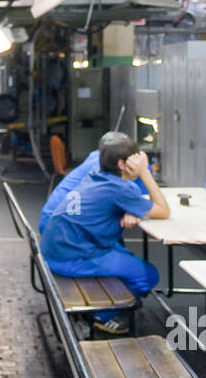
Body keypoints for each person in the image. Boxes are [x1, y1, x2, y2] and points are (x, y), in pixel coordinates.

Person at [40, 136, 170, 335]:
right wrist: (144, 172)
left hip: (58, 247)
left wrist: (130, 207)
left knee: (127, 258)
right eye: (136, 159)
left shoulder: (96, 174)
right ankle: (98, 317)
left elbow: (120, 199)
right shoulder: (120, 188)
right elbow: (163, 211)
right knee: (148, 275)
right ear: (122, 163)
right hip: (73, 257)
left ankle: (104, 306)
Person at [39, 131, 137, 235]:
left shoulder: (95, 158)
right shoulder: (102, 166)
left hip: (52, 221)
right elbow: (131, 193)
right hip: (62, 229)